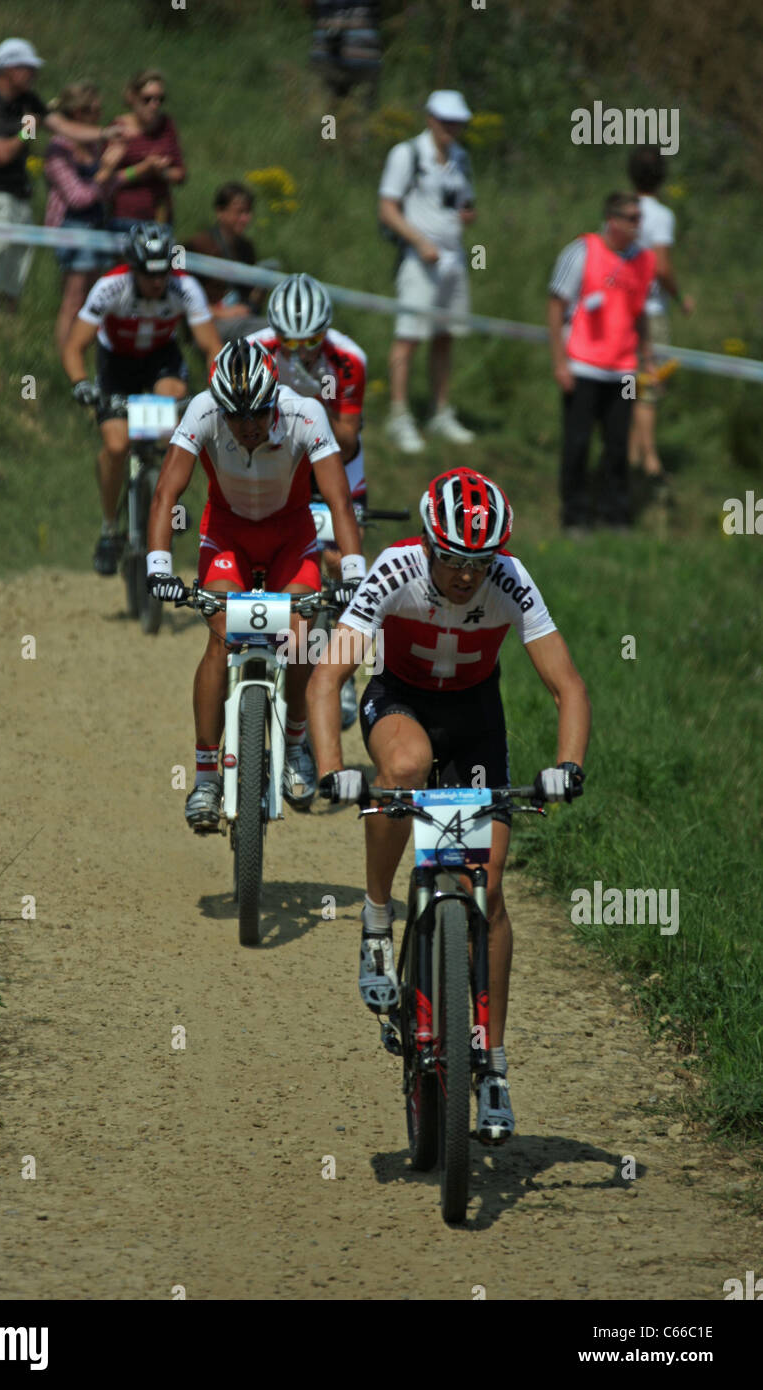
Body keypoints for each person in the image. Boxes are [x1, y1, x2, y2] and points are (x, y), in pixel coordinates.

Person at [308, 467, 590, 1144]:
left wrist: (569, 767)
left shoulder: (512, 579)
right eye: (453, 560)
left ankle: (491, 1063)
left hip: (474, 718)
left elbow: (568, 687)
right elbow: (329, 676)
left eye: (479, 563)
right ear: (429, 544)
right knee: (403, 770)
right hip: (401, 701)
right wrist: (330, 770)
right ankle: (378, 921)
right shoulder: (395, 566)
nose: (466, 576)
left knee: (487, 888)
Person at [145, 337, 365, 828]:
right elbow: (165, 493)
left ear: (274, 401)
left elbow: (340, 502)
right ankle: (205, 778)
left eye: (257, 416)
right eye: (234, 417)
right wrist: (158, 567)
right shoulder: (202, 410)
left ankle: (296, 743)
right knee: (221, 638)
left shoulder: (306, 414)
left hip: (291, 538)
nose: (246, 428)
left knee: (302, 636)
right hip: (227, 537)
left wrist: (353, 573)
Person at [61, 221, 221, 574]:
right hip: (117, 364)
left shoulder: (185, 287)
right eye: (149, 274)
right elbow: (75, 344)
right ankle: (108, 527)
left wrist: (216, 386)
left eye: (163, 272)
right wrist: (80, 383)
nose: (157, 281)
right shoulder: (111, 286)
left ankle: (167, 491)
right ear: (132, 269)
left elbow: (211, 344)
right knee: (116, 447)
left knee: (172, 407)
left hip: (160, 361)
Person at [248, 271, 368, 727]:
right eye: (290, 343)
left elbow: (349, 441)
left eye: (310, 341)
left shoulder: (349, 359)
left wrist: (311, 399)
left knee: (340, 557)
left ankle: (344, 663)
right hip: (279, 456)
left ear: (327, 331)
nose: (299, 351)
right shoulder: (255, 351)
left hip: (335, 457)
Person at [0, 37, 113, 309]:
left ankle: (4, 331)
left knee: (13, 277)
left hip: (18, 196)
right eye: (28, 68)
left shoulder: (28, 100)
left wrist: (106, 133)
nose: (34, 74)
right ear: (9, 69)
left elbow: (65, 127)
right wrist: (26, 132)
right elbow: (1, 154)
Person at [547, 192, 657, 535]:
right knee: (578, 443)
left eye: (639, 218)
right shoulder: (581, 251)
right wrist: (559, 361)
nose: (637, 225)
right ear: (612, 220)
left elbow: (641, 315)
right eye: (631, 218)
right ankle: (575, 516)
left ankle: (615, 514)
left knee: (617, 444)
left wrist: (647, 359)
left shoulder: (643, 261)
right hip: (583, 366)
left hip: (623, 369)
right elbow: (555, 305)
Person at [378, 89, 477, 454]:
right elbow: (387, 207)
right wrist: (419, 241)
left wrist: (466, 216)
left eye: (458, 122)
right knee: (409, 335)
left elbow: (462, 203)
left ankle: (439, 410)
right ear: (431, 119)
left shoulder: (461, 159)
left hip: (454, 257)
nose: (453, 128)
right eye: (447, 120)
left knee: (445, 334)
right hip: (419, 259)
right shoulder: (407, 154)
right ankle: (399, 414)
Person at [627, 147, 695, 480]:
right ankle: (650, 460)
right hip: (650, 310)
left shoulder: (620, 210)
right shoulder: (662, 216)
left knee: (630, 384)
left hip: (621, 309)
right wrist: (680, 298)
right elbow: (663, 267)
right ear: (662, 178)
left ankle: (632, 454)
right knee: (649, 387)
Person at [44, 81, 125, 352]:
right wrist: (106, 171)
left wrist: (130, 171)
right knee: (73, 299)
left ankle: (85, 353)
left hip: (97, 224)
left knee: (94, 299)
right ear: (79, 113)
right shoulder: (58, 149)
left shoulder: (93, 148)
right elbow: (77, 197)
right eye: (94, 111)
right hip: (72, 226)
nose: (99, 118)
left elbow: (107, 188)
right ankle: (65, 354)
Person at [105, 69, 185, 239]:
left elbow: (181, 173)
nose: (154, 105)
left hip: (160, 218)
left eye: (159, 99)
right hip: (124, 217)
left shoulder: (167, 126)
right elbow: (107, 178)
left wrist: (161, 172)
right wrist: (144, 168)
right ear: (133, 97)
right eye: (147, 99)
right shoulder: (117, 129)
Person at [184, 182, 265, 341]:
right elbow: (177, 293)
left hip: (240, 320)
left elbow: (248, 295)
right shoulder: (197, 244)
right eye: (239, 212)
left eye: (248, 212)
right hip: (207, 323)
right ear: (220, 212)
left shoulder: (246, 248)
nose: (245, 218)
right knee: (267, 330)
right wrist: (221, 312)